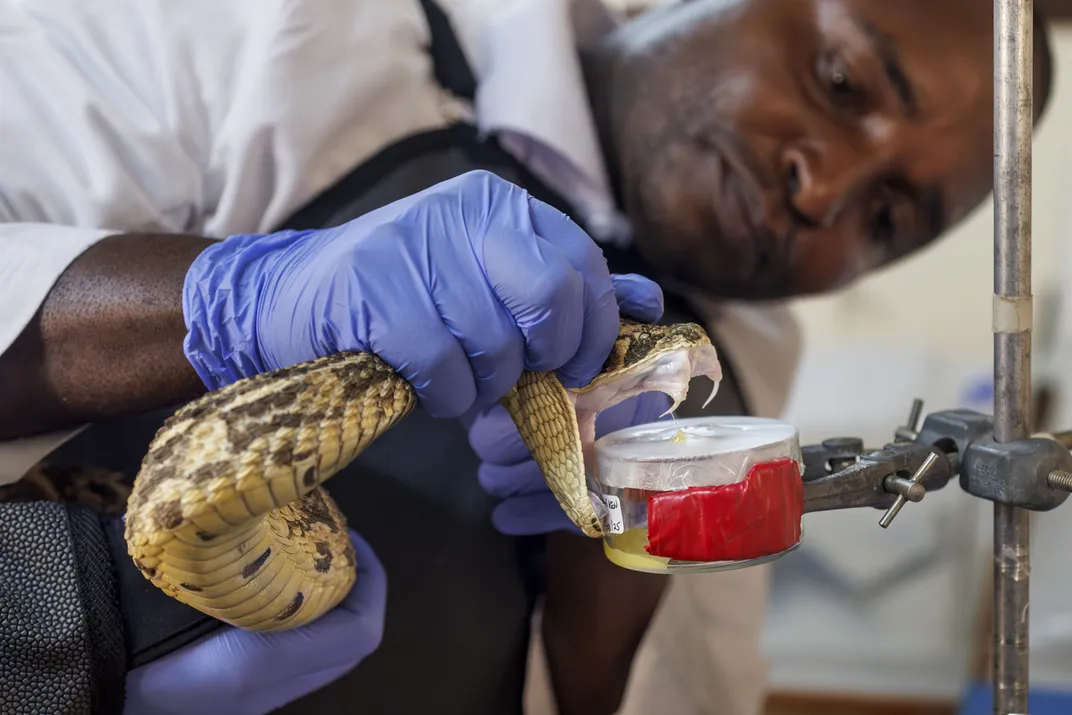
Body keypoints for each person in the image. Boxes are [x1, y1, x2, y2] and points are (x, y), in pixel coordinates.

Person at [0, 0, 1054, 714]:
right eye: (840, 80)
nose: (821, 192)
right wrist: (234, 298)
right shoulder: (293, 33)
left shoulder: (734, 372)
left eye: (883, 219)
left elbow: (682, 694)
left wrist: (611, 565)